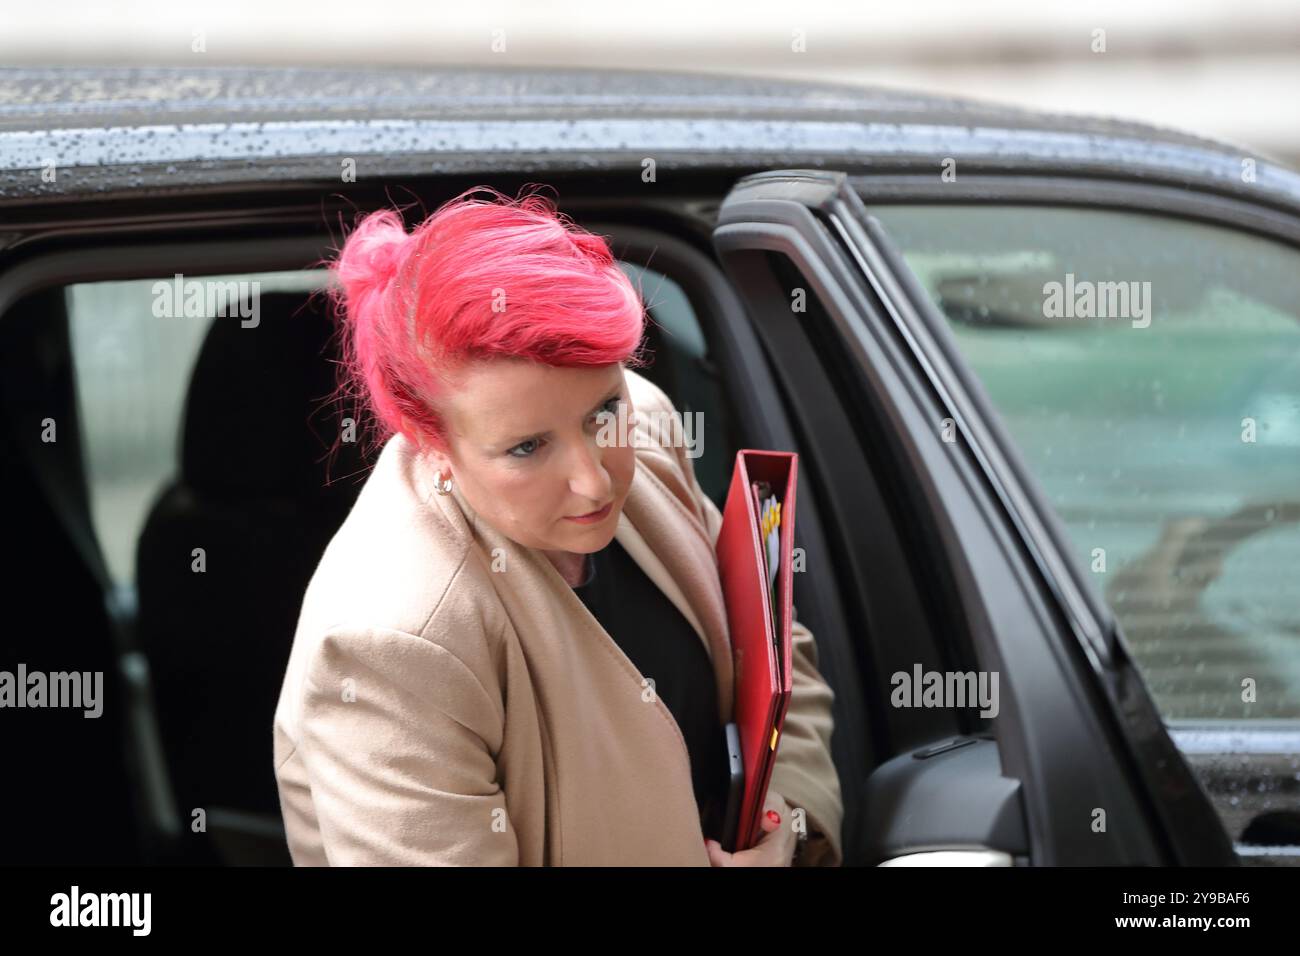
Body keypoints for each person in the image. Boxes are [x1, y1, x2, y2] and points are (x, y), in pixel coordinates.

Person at [272, 184, 844, 866]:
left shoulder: (651, 423)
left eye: (604, 411)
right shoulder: (390, 642)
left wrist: (784, 829)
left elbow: (778, 659)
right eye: (526, 448)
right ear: (431, 442)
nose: (595, 480)